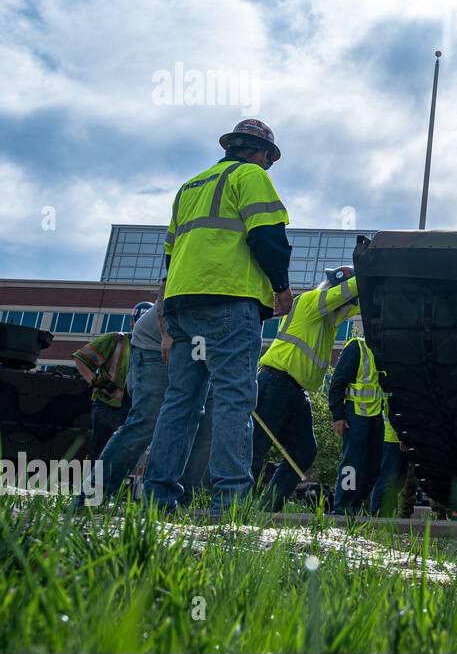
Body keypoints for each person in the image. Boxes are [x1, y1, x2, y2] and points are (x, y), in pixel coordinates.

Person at [143, 120, 293, 512]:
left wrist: (164, 321)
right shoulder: (251, 176)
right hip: (229, 300)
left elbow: (170, 255)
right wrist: (281, 287)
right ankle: (228, 502)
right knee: (233, 399)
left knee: (181, 401)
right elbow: (267, 237)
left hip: (183, 305)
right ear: (261, 154)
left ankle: (157, 498)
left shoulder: (189, 187)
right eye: (268, 159)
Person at [80, 302, 214, 506]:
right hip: (157, 344)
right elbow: (164, 291)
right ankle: (93, 495)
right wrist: (166, 333)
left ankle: (169, 500)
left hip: (194, 348)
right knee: (146, 421)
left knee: (193, 421)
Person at [252, 266, 359, 511]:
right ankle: (235, 505)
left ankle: (268, 508)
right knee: (255, 447)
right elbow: (345, 296)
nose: (347, 311)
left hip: (294, 393)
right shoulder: (311, 301)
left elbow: (355, 304)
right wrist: (368, 274)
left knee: (303, 451)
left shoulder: (326, 319)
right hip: (277, 384)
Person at [328, 327, 390, 513]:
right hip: (354, 416)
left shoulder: (386, 352)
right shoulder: (357, 347)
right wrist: (338, 415)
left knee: (373, 468)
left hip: (375, 418)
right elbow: (337, 382)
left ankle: (355, 506)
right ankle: (341, 508)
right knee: (351, 465)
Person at [72, 321, 133, 459]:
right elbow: (81, 358)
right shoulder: (116, 339)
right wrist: (96, 381)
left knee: (123, 455)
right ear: (133, 322)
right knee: (102, 453)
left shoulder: (154, 345)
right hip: (109, 405)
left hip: (135, 409)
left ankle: (110, 480)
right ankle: (96, 480)